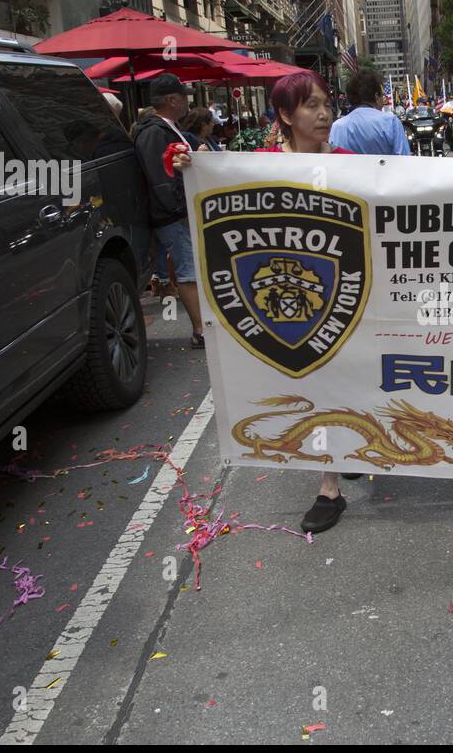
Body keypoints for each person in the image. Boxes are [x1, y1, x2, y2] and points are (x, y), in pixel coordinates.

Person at [171, 71, 358, 535]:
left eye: (325, 104)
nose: (322, 114)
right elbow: (204, 171)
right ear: (285, 115)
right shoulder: (262, 162)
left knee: (350, 377)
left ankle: (344, 455)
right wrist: (179, 160)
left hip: (351, 289)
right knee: (316, 381)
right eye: (310, 105)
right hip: (294, 299)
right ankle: (329, 486)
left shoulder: (354, 161)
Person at [133, 74, 206, 349]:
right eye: (184, 96)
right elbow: (160, 177)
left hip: (175, 211)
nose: (188, 100)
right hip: (171, 215)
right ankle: (200, 330)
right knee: (187, 270)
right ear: (172, 100)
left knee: (190, 268)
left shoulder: (164, 128)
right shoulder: (153, 132)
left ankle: (202, 327)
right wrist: (180, 209)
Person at [328, 69, 411, 155]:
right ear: (376, 96)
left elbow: (333, 162)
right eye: (382, 96)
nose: (383, 101)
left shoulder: (337, 127)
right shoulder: (390, 122)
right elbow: (404, 159)